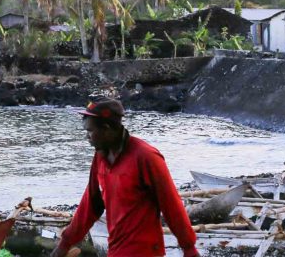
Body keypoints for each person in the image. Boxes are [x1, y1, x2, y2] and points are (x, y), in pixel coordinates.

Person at [50, 98, 199, 257]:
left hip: (145, 252)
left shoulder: (146, 157)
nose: (87, 136)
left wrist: (188, 247)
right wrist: (65, 243)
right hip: (116, 250)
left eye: (90, 131)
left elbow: (171, 204)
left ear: (106, 129)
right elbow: (90, 205)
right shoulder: (101, 157)